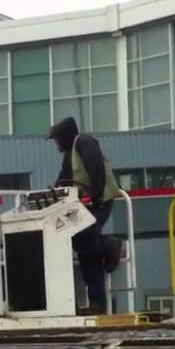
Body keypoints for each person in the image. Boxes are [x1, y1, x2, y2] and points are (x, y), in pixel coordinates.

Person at [49, 117, 124, 315]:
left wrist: (95, 196)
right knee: (72, 239)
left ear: (65, 136)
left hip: (100, 201)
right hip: (84, 204)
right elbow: (63, 180)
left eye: (57, 139)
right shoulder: (70, 154)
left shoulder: (84, 142)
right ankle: (106, 246)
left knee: (88, 245)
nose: (56, 144)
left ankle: (109, 246)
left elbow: (96, 168)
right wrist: (51, 198)